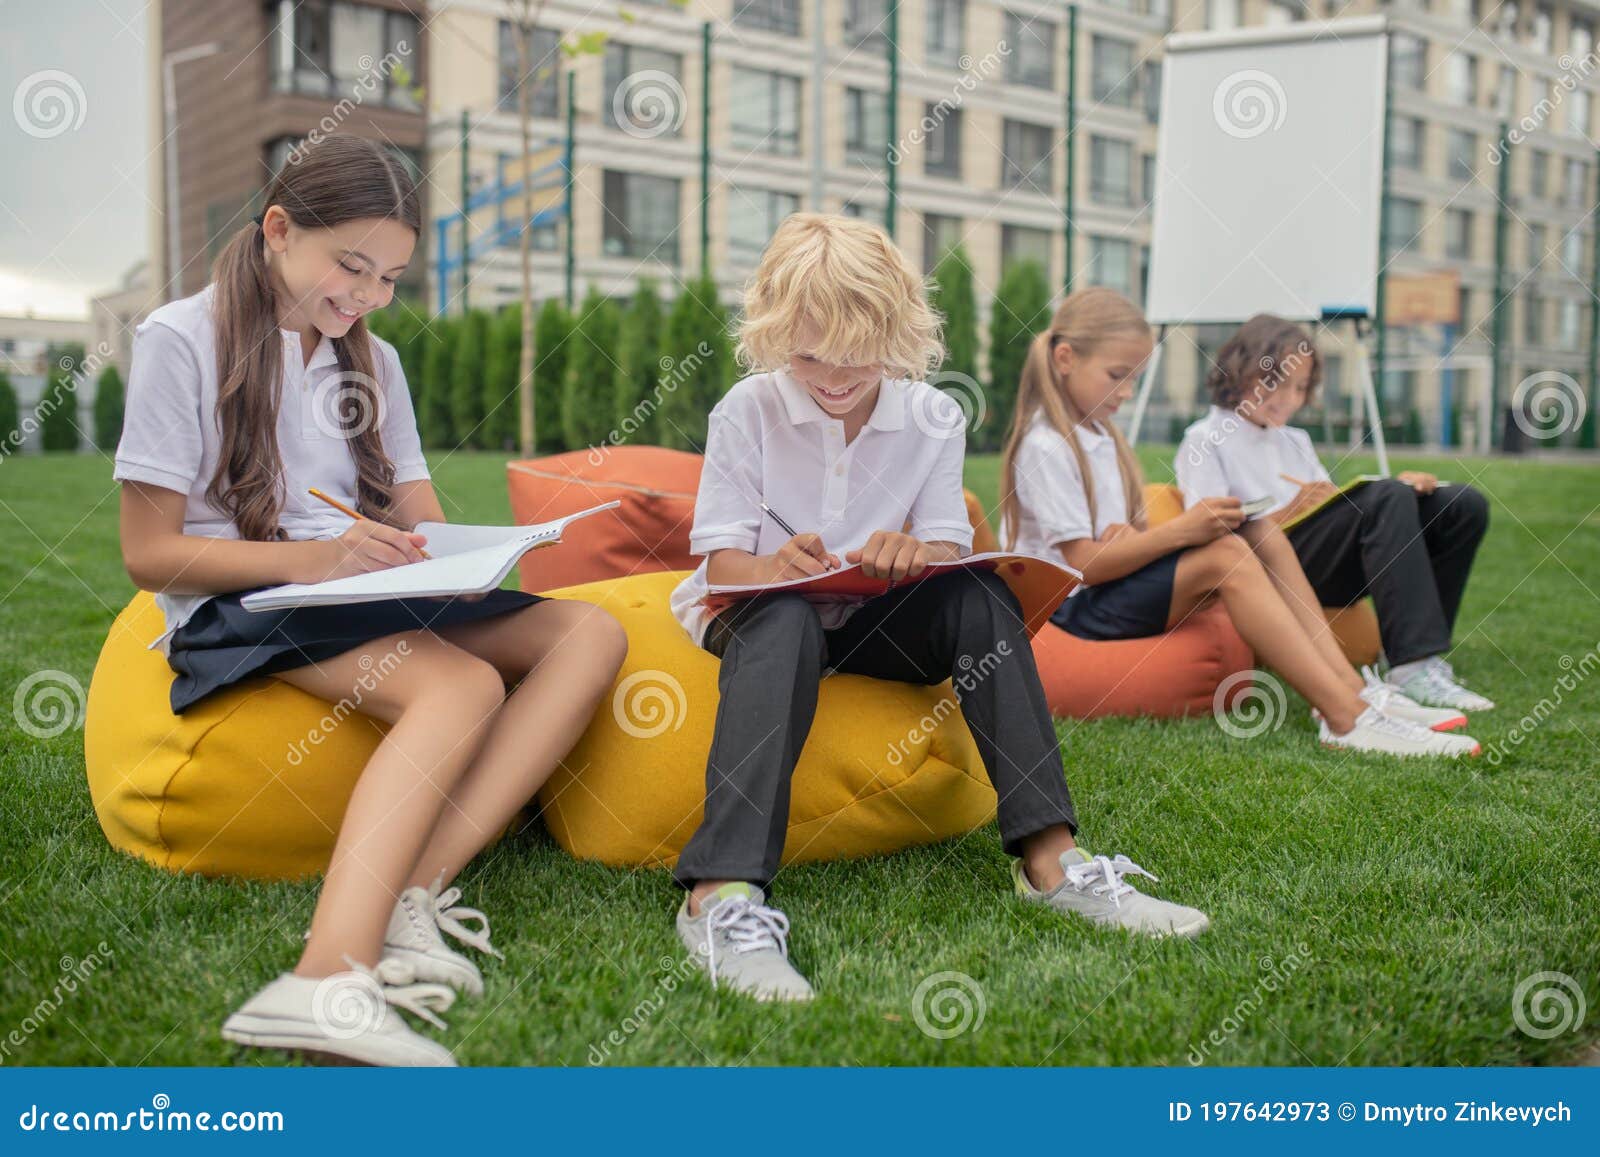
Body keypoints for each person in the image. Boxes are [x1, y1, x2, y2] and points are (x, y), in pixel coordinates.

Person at [113, 135, 627, 1065]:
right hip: (247, 601)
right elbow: (149, 554)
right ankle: (324, 978)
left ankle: (407, 896)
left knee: (588, 632)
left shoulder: (373, 361)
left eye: (389, 277)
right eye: (351, 266)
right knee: (460, 685)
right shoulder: (180, 340)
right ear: (278, 229)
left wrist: (471, 557)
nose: (367, 295)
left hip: (357, 588)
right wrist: (319, 560)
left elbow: (420, 515)